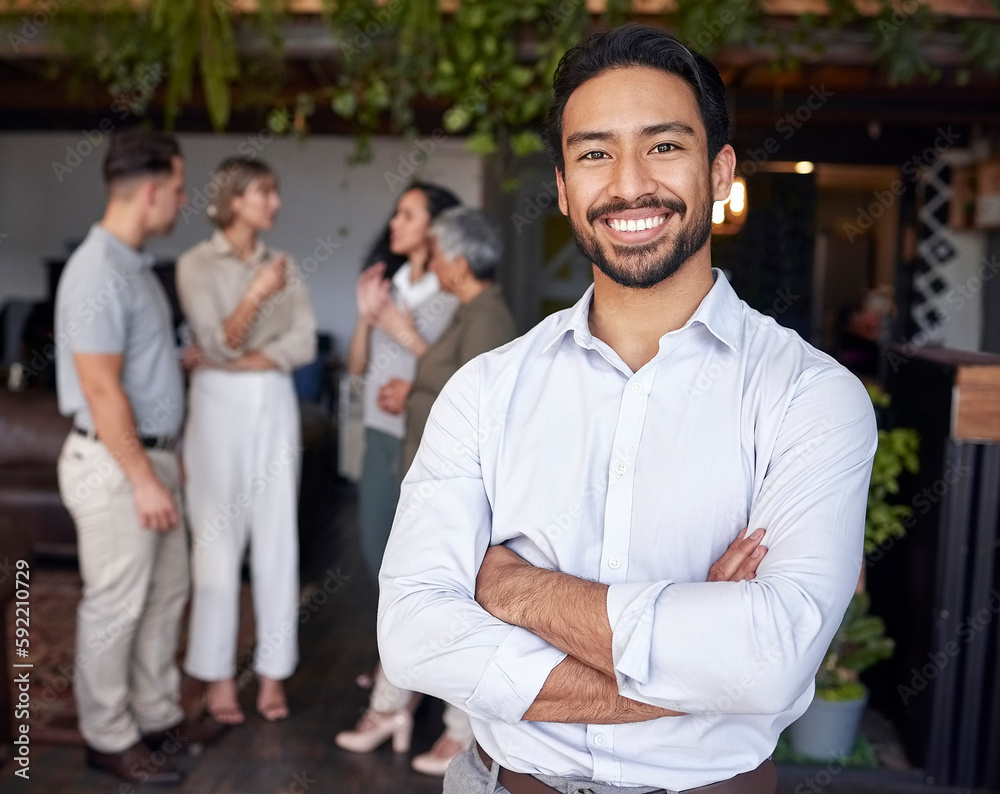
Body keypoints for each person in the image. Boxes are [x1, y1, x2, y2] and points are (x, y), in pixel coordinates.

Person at [378, 24, 878, 794]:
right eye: (594, 153)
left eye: (665, 146)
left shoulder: (811, 396)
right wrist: (691, 660)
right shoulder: (484, 389)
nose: (628, 183)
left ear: (719, 171)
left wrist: (514, 590)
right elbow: (413, 635)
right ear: (564, 184)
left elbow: (768, 662)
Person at [55, 127, 222, 788]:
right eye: (179, 189)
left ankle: (154, 717)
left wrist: (173, 370)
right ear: (151, 190)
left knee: (164, 595)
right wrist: (142, 478)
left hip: (153, 462)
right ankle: (107, 734)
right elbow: (99, 388)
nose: (183, 201)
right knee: (116, 605)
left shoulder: (133, 265)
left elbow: (132, 368)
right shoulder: (95, 270)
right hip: (117, 467)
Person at [337, 207, 518, 776]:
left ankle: (457, 734)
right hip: (437, 486)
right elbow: (450, 380)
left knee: (452, 607)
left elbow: (483, 405)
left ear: (460, 263)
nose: (433, 262)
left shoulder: (487, 315)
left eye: (439, 253)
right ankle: (392, 710)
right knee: (415, 598)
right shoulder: (469, 312)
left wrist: (413, 388)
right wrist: (412, 388)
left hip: (463, 494)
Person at [175, 157, 317, 725]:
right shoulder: (194, 266)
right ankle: (215, 678)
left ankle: (272, 674)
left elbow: (303, 343)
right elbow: (217, 340)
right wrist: (257, 294)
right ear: (234, 200)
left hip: (272, 403)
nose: (274, 204)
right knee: (215, 544)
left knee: (277, 539)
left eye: (275, 193)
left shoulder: (286, 265)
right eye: (264, 193)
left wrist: (237, 362)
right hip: (214, 412)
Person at [348, 182, 461, 583]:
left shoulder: (453, 297)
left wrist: (402, 331)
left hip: (426, 439)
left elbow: (460, 373)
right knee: (374, 550)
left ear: (435, 229)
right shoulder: (386, 287)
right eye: (396, 213)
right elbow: (357, 367)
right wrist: (366, 315)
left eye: (407, 215)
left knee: (420, 561)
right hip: (379, 434)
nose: (394, 223)